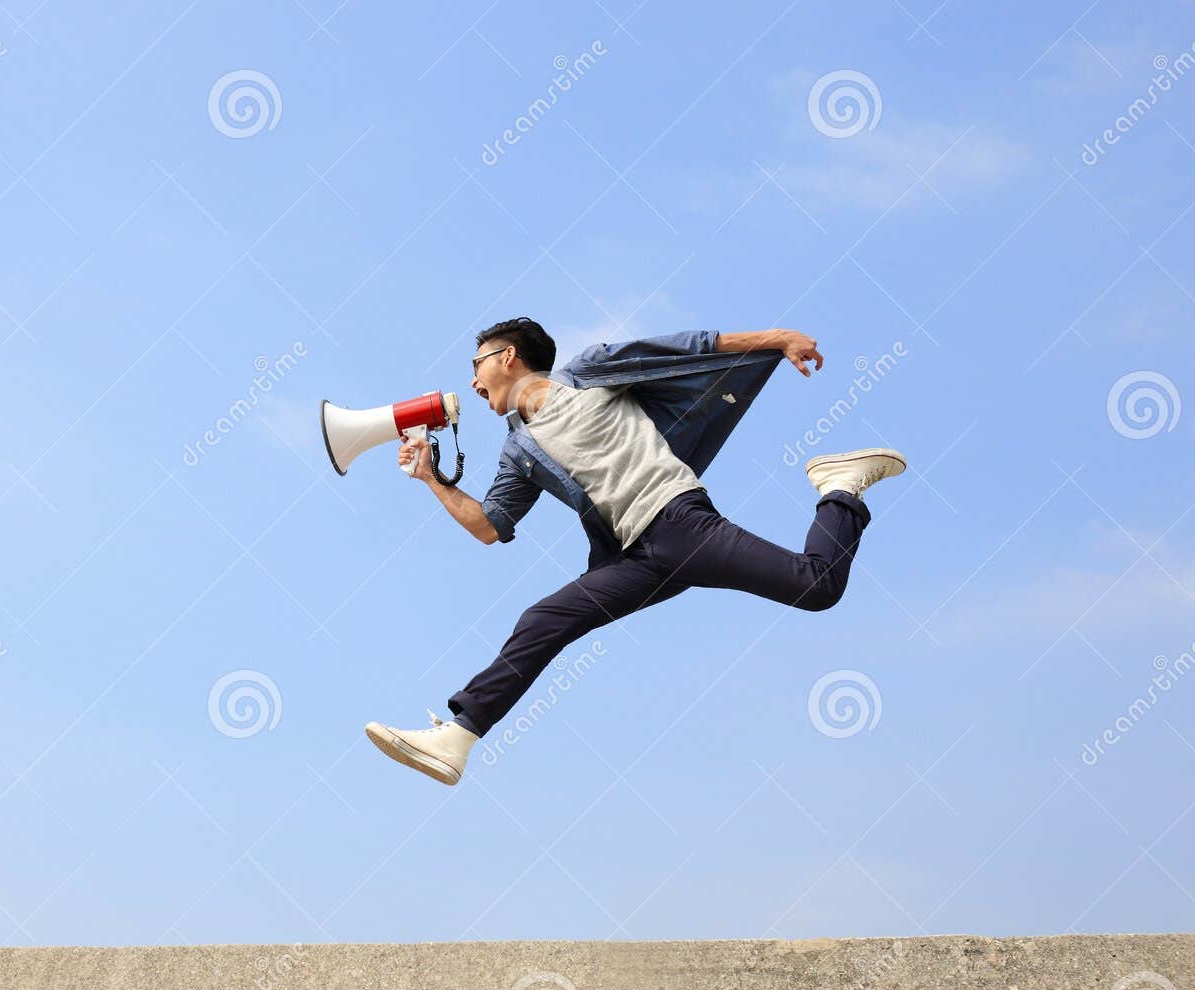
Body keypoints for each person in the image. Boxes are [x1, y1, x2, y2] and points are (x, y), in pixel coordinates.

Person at [363, 317, 906, 786]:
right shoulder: (518, 449)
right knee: (544, 619)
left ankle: (841, 488)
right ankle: (457, 738)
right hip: (634, 556)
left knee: (816, 586)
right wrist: (433, 479)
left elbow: (691, 347)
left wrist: (778, 338)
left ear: (507, 357)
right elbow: (489, 525)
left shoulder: (589, 372)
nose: (474, 384)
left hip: (676, 521)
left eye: (476, 366)